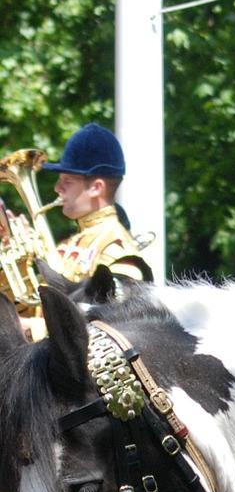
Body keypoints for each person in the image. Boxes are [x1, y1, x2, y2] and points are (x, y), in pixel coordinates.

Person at [19, 122, 150, 341]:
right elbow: (32, 306)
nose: (57, 189)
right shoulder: (69, 244)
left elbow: (113, 327)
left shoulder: (118, 250)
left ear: (96, 187)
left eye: (67, 181)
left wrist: (33, 328)